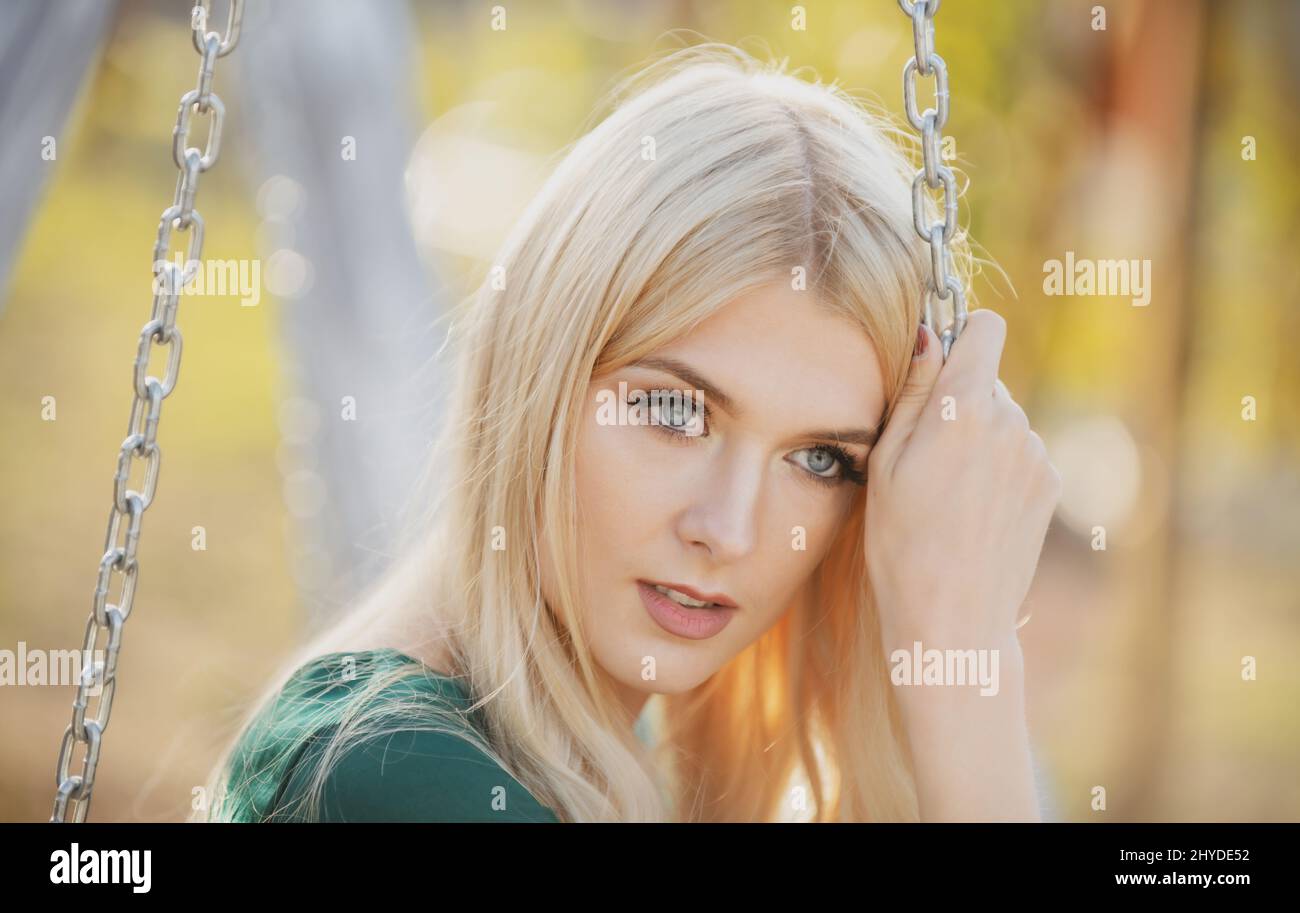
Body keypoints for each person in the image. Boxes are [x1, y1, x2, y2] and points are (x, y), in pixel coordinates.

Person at [197, 42, 1060, 824]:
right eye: (676, 411)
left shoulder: (615, 758)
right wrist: (963, 672)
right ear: (540, 369)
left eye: (819, 458)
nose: (728, 529)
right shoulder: (395, 779)